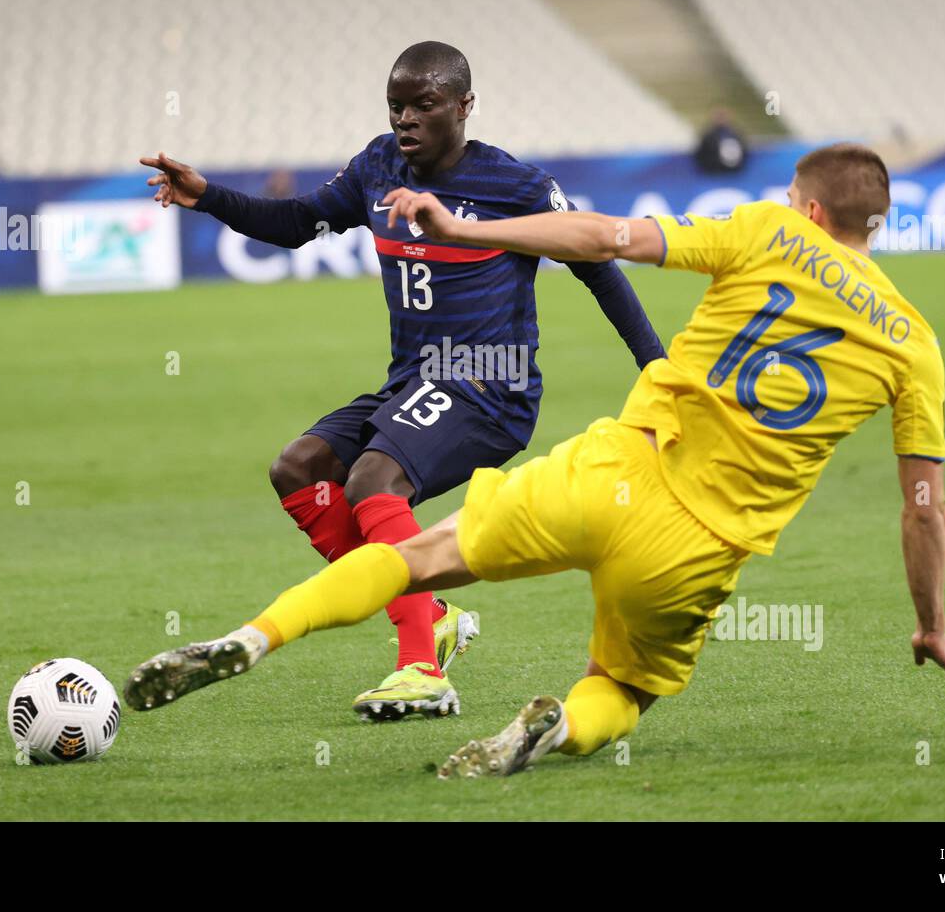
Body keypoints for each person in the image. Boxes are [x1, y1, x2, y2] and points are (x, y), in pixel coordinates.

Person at [125, 143, 945, 778]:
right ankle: (553, 728)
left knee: (414, 556)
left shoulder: (764, 232)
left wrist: (464, 226)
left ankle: (254, 634)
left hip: (614, 471)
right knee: (624, 686)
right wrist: (933, 623)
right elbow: (922, 506)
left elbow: (607, 238)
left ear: (807, 210)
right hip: (699, 552)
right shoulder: (917, 347)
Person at [138, 41, 664, 720]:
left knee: (372, 479)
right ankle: (430, 613)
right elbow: (301, 222)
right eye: (396, 107)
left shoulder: (516, 186)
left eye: (424, 105)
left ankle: (420, 667)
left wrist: (657, 367)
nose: (406, 120)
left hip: (488, 386)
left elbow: (600, 270)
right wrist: (207, 195)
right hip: (412, 383)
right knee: (300, 469)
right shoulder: (377, 166)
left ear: (464, 106)